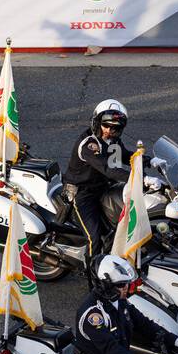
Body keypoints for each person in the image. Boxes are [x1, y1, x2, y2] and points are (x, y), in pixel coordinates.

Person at [63, 99, 135, 258]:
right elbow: (108, 169)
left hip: (103, 189)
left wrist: (147, 160)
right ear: (97, 122)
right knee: (94, 238)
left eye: (115, 128)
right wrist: (137, 178)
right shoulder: (89, 144)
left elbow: (123, 156)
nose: (109, 130)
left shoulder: (112, 140)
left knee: (116, 227)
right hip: (83, 194)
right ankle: (93, 277)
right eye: (106, 125)